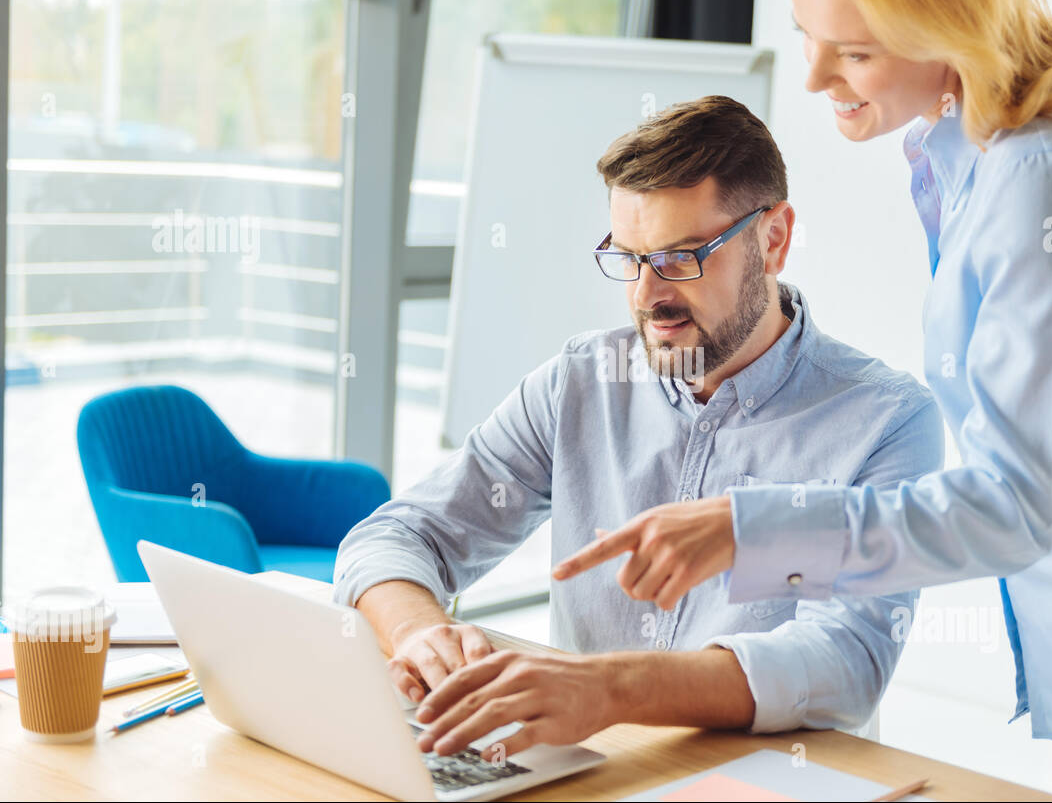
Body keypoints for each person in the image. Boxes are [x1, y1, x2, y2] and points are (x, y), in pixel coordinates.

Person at [553, 0, 1052, 801]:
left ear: (952, 24)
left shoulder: (1044, 176)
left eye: (856, 51)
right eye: (806, 35)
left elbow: (1008, 507)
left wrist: (746, 528)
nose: (814, 78)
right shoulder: (974, 161)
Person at [332, 95, 944, 758]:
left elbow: (843, 660)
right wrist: (424, 633)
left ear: (774, 239)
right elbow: (395, 536)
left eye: (682, 256)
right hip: (585, 775)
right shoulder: (580, 383)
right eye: (629, 257)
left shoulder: (886, 420)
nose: (648, 296)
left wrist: (611, 689)